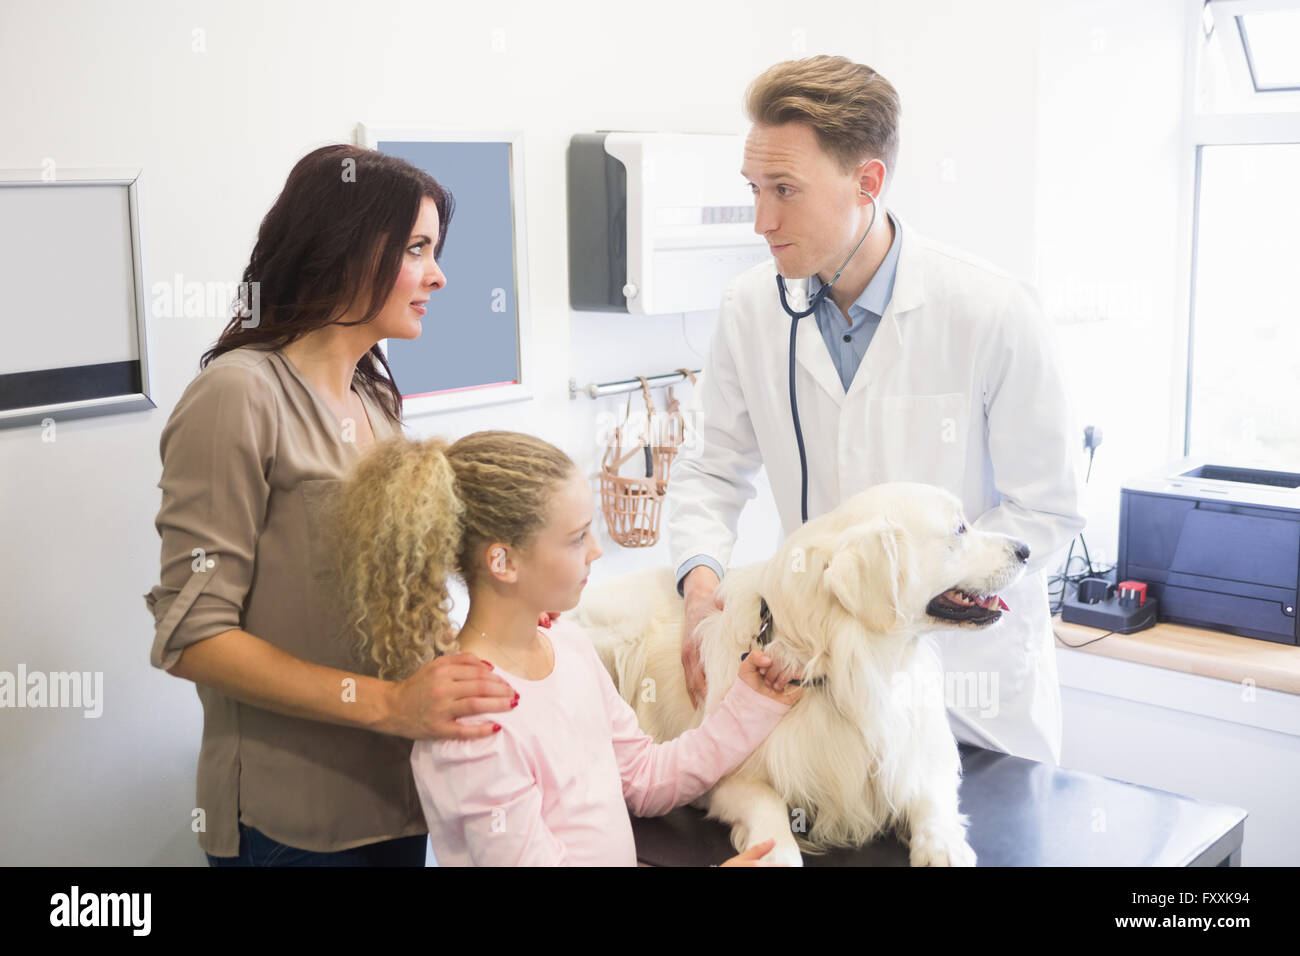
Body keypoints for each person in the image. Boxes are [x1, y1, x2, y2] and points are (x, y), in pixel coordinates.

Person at [669, 55, 1085, 766]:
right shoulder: (749, 309)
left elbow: (1046, 509)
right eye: (755, 189)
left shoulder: (991, 310)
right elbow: (712, 470)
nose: (762, 220)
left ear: (868, 183)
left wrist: (921, 585)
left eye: (786, 190)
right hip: (822, 689)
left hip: (968, 695)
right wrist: (700, 583)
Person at [143, 144, 521, 866]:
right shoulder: (239, 396)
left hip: (402, 801)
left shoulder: (375, 401)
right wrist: (386, 705)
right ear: (347, 250)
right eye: (416, 249)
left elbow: (389, 595)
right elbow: (191, 636)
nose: (437, 276)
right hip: (294, 827)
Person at [332, 430, 803, 865]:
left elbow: (645, 776)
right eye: (577, 537)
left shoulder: (569, 646)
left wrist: (752, 703)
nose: (596, 551)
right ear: (503, 561)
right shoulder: (471, 717)